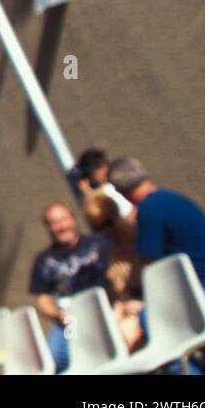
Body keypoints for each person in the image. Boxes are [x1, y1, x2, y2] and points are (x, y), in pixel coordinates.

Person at [108, 156, 205, 373]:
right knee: (149, 318)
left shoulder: (150, 210)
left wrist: (132, 293)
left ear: (121, 191)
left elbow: (150, 267)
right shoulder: (171, 197)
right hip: (203, 285)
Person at [28, 201, 112, 372]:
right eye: (54, 222)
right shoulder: (44, 259)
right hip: (70, 322)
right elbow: (41, 296)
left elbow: (118, 271)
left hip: (104, 312)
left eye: (64, 219)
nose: (61, 226)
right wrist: (56, 313)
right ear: (49, 227)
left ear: (73, 220)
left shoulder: (98, 243)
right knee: (52, 359)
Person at [83, 191, 145, 351]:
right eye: (99, 228)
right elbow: (122, 291)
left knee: (127, 333)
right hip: (132, 308)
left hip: (154, 302)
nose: (107, 231)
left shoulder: (141, 237)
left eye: (109, 223)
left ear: (117, 214)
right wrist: (122, 303)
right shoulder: (112, 252)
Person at [73, 148, 134, 218]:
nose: (104, 169)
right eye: (98, 167)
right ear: (89, 173)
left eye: (105, 164)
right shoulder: (96, 195)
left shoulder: (119, 183)